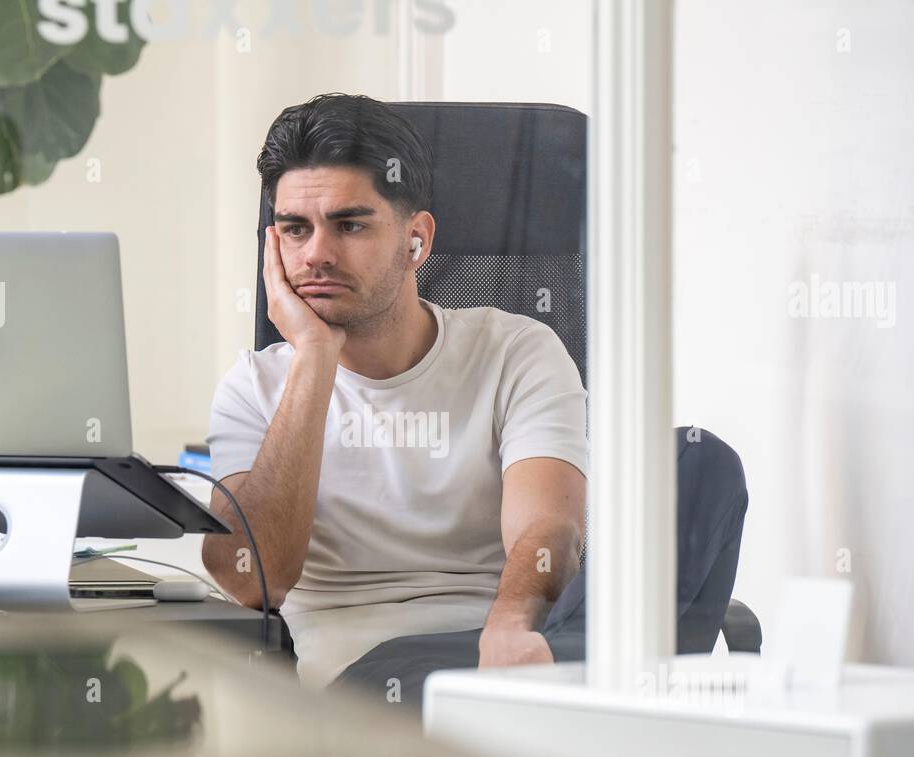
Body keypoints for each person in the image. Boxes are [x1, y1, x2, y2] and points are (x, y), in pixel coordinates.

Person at [203, 93, 748, 711]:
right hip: (381, 680)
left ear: (416, 239)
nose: (317, 254)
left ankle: (576, 687)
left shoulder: (517, 349)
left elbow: (550, 530)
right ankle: (612, 688)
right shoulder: (254, 387)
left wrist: (511, 625)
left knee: (697, 462)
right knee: (527, 688)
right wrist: (314, 359)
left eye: (349, 224)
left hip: (520, 648)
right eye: (295, 229)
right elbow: (252, 580)